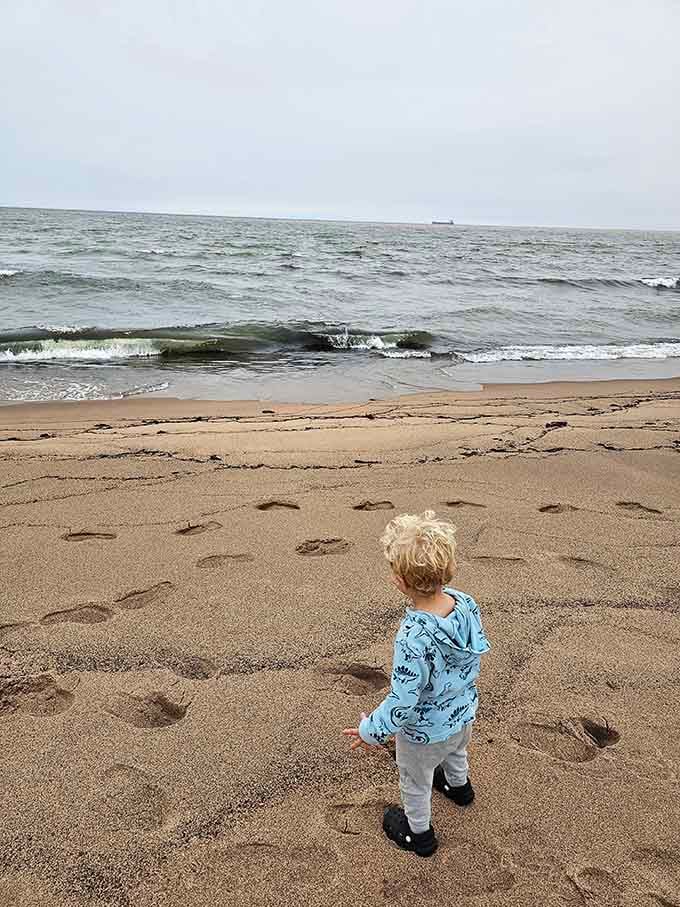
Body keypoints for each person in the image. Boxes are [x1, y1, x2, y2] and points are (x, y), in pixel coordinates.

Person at [343, 510, 490, 857]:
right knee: (456, 751)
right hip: (463, 713)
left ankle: (418, 834)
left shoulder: (412, 638)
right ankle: (459, 788)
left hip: (423, 734)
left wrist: (371, 731)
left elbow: (403, 700)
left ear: (400, 582)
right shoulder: (466, 604)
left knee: (415, 780)